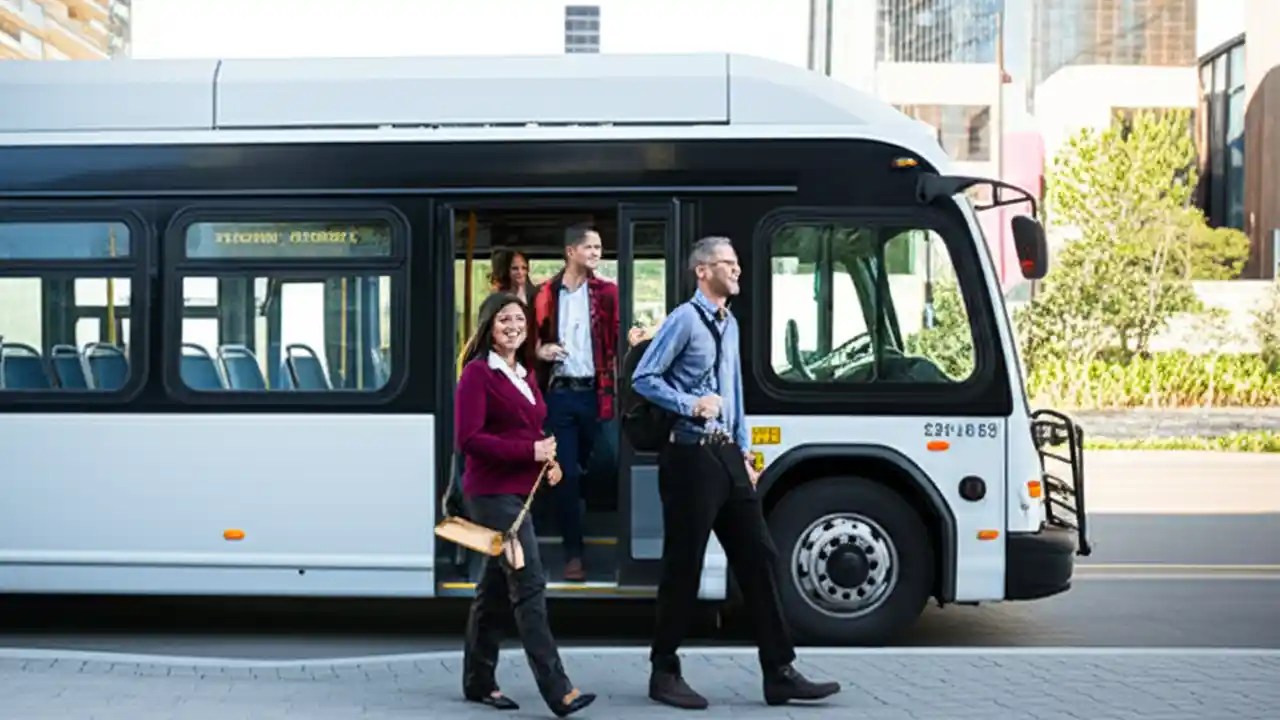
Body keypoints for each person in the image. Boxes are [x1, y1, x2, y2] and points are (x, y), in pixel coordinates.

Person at [631, 236, 842, 710]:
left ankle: (779, 671)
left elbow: (736, 393)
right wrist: (691, 404)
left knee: (759, 556)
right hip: (688, 455)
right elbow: (644, 377)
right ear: (702, 271)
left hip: (726, 457)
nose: (737, 270)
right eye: (728, 264)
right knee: (683, 567)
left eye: (737, 264)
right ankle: (664, 671)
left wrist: (744, 451)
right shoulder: (685, 320)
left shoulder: (730, 322)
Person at [455, 291, 597, 717]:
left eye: (518, 319)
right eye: (503, 321)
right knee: (529, 582)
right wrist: (529, 454)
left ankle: (478, 680)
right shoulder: (478, 376)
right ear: (488, 328)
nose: (513, 326)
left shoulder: (524, 373)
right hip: (490, 498)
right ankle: (559, 690)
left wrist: (549, 462)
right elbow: (468, 440)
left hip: (519, 495)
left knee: (494, 590)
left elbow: (532, 429)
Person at [532, 223, 619, 582]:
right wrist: (541, 350)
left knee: (608, 463)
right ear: (571, 252)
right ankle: (573, 554)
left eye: (600, 248)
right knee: (565, 475)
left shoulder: (609, 292)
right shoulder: (545, 294)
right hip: (561, 394)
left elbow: (618, 336)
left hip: (598, 393)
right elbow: (529, 342)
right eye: (591, 247)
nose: (597, 253)